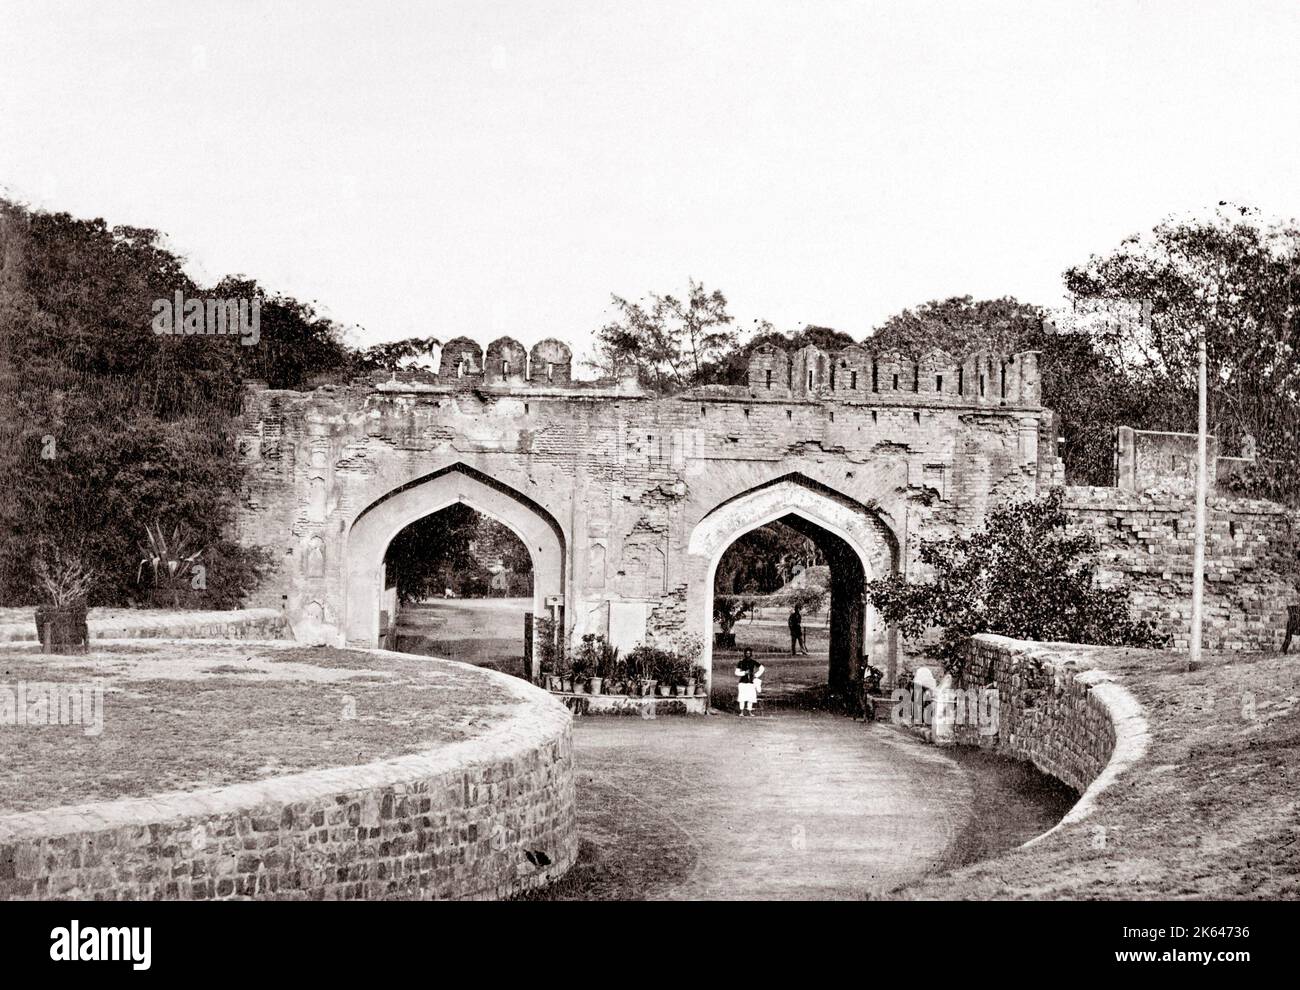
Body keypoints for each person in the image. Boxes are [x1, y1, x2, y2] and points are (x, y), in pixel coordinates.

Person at [735, 649, 765, 717]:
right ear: (744, 654)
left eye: (749, 653)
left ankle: (749, 711)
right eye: (746, 653)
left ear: (751, 654)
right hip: (743, 682)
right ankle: (741, 712)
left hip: (751, 682)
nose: (748, 655)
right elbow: (736, 672)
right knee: (742, 697)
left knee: (750, 697)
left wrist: (756, 675)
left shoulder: (753, 662)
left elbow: (762, 668)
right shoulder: (741, 662)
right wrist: (744, 673)